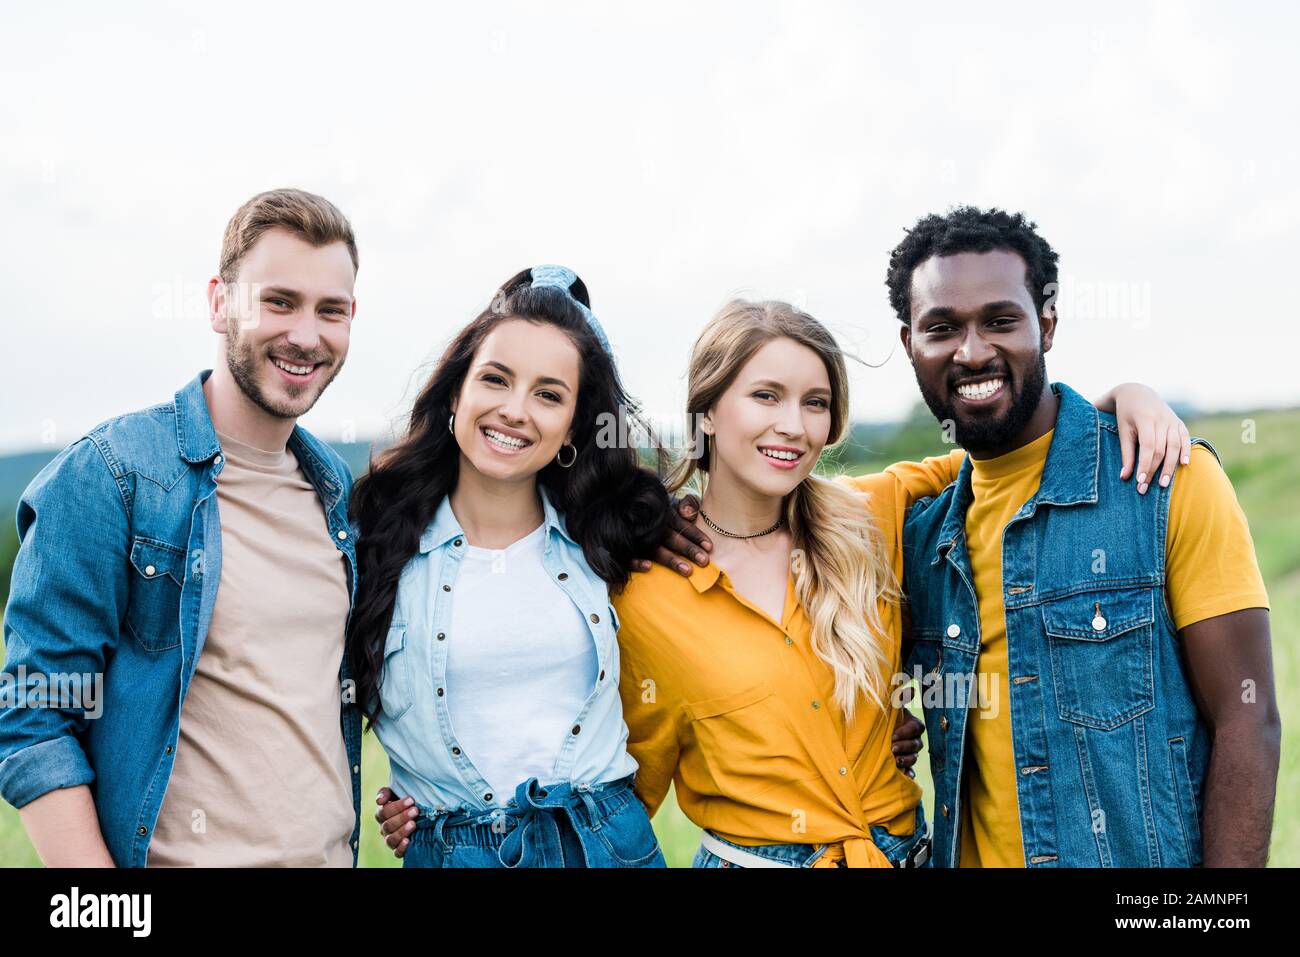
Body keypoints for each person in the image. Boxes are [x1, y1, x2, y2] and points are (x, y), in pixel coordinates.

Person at [613, 298, 1190, 868]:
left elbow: (1011, 453)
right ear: (707, 410)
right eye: (766, 395)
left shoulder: (873, 512)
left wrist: (1121, 400)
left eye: (816, 403)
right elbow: (629, 797)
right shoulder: (644, 594)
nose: (793, 426)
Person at [890, 206, 1279, 867]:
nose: (973, 349)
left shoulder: (1166, 482)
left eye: (1000, 320)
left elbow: (1249, 720)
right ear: (909, 344)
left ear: (1046, 323)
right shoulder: (920, 541)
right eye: (943, 328)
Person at [0, 188, 365, 866]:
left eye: (331, 310)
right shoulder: (111, 475)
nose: (306, 334)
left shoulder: (334, 494)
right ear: (219, 302)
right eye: (278, 301)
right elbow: (34, 715)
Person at [353, 266, 674, 867]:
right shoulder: (372, 547)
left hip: (606, 845)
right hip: (451, 851)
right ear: (457, 393)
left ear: (575, 425)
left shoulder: (618, 540)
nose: (515, 410)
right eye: (495, 380)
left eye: (549, 394)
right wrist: (414, 806)